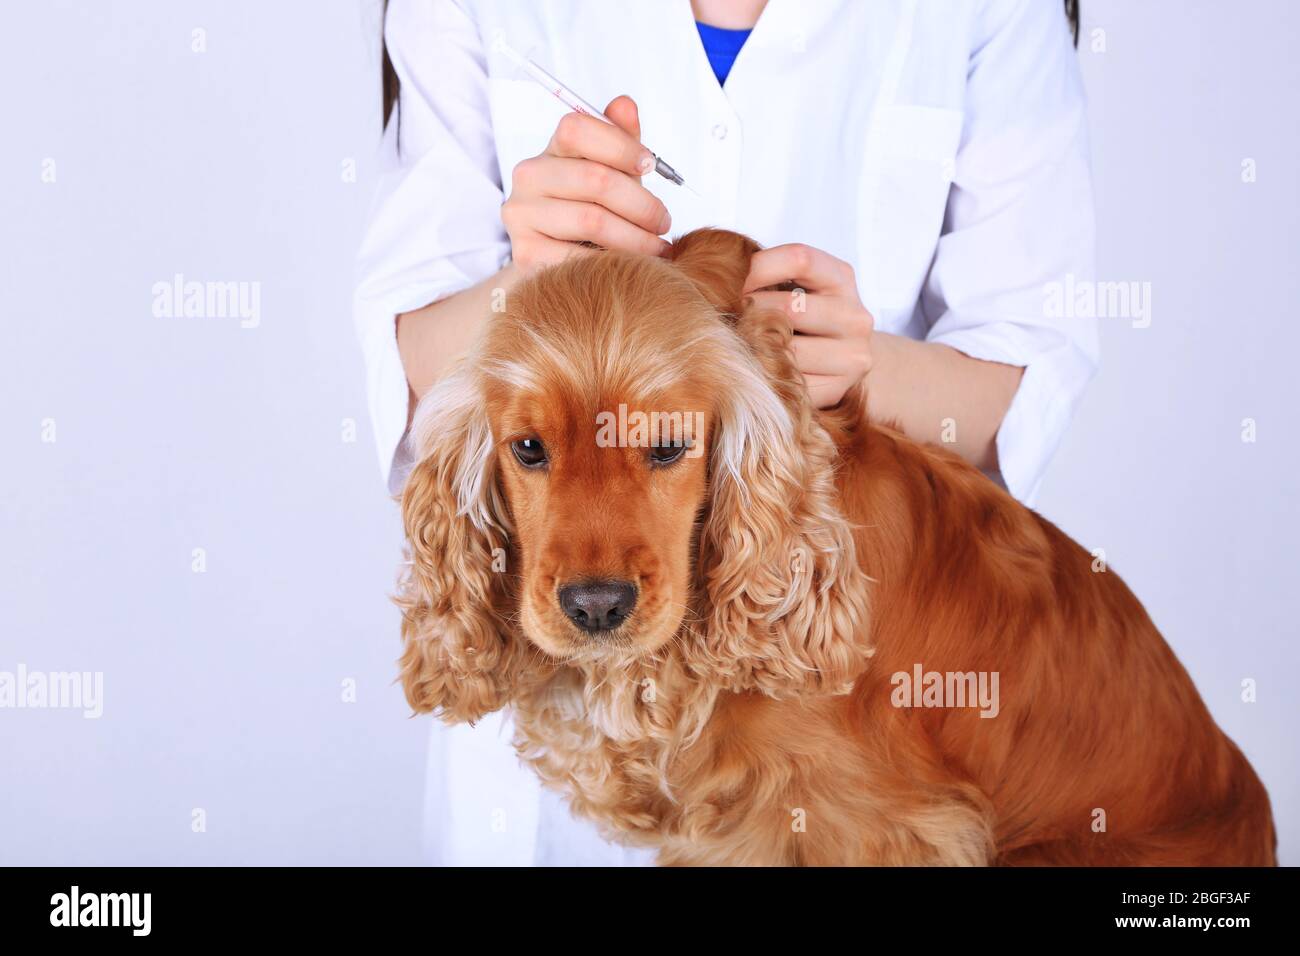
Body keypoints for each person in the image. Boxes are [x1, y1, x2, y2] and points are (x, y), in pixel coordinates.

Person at [355, 0, 1095, 865]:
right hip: (545, 779)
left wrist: (831, 365)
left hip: (848, 710)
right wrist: (527, 289)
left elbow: (1026, 382)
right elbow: (406, 362)